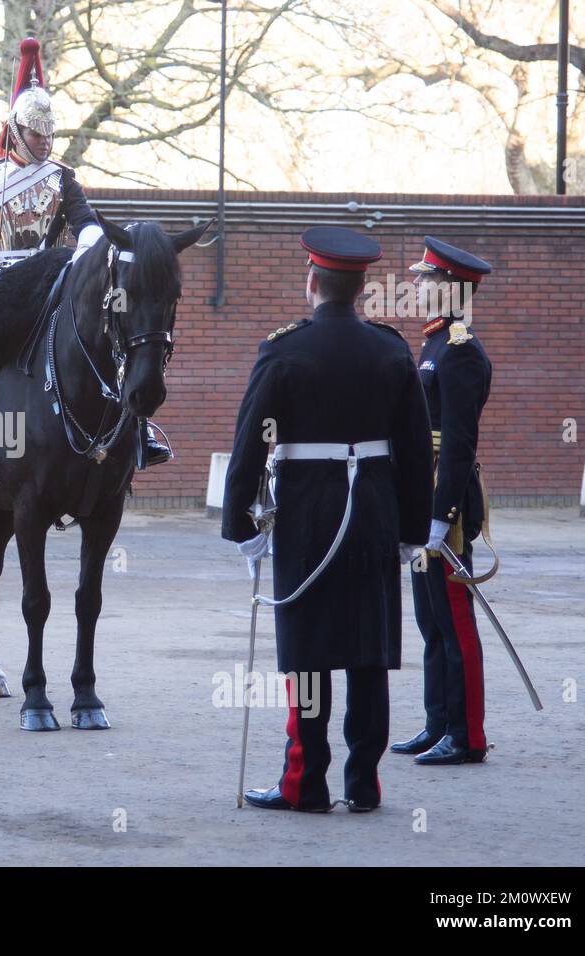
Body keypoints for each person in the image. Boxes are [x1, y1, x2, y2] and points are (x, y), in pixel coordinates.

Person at [221, 226, 432, 812]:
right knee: (368, 647)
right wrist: (413, 529)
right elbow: (417, 452)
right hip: (373, 512)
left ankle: (304, 783)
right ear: (360, 289)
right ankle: (364, 784)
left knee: (309, 650)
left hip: (307, 514)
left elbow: (247, 444)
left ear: (312, 282)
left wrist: (241, 524)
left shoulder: (284, 349)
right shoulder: (392, 349)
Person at [0, 36, 171, 470]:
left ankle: (137, 428)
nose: (46, 141)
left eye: (51, 133)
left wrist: (82, 259)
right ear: (15, 130)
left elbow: (87, 226)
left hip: (52, 275)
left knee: (111, 326)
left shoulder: (64, 179)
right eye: (36, 132)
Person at [390, 237, 494, 766]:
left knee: (455, 622)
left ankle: (467, 733)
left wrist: (440, 518)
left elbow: (457, 445)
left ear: (451, 291)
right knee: (431, 621)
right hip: (421, 498)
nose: (417, 286)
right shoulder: (434, 344)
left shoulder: (460, 351)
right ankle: (437, 723)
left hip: (444, 510)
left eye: (426, 281)